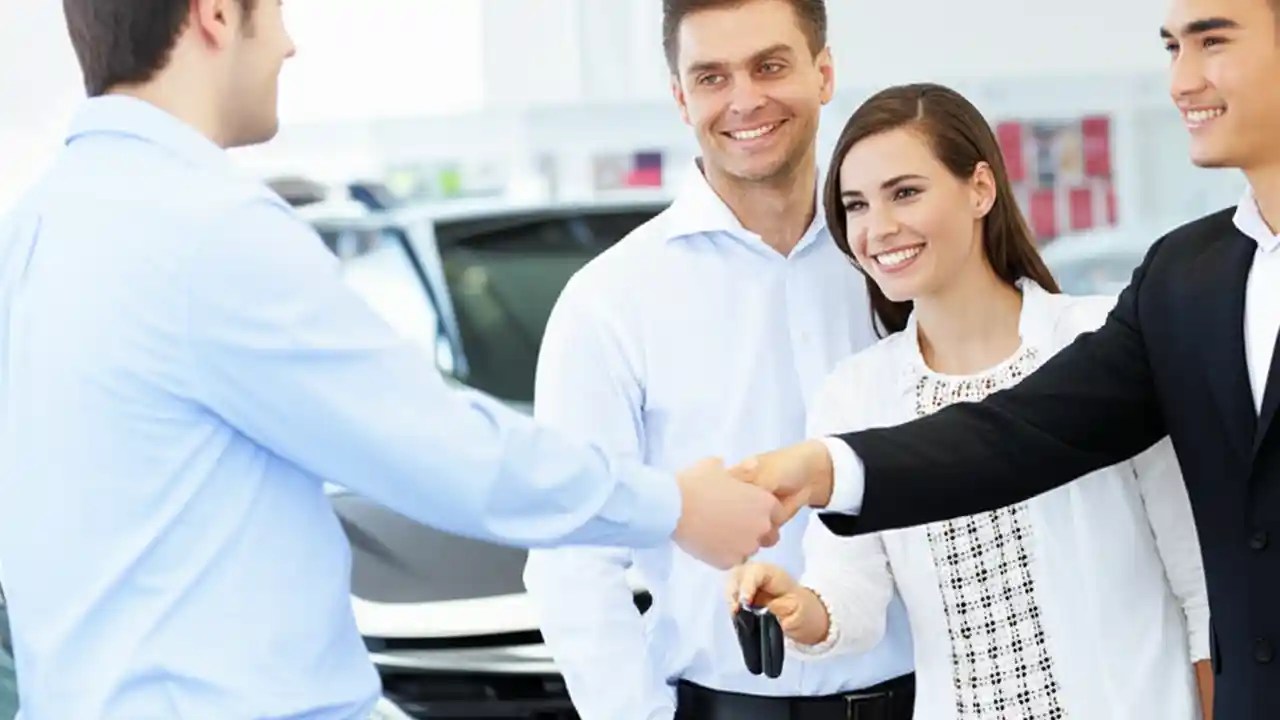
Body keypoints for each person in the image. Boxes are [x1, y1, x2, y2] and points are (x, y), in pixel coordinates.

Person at [0, 1, 787, 717]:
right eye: (273, 11)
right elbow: (438, 447)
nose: (289, 43)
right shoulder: (205, 224)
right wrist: (675, 506)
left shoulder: (36, 229)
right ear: (213, 15)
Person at [734, 0, 1280, 716]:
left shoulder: (1092, 324)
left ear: (980, 188)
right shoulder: (1187, 280)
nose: (1180, 81)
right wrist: (823, 471)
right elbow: (1011, 437)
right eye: (1172, 48)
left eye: (1211, 43)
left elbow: (1196, 573)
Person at [522, 1, 915, 719]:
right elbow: (571, 558)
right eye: (711, 77)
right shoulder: (610, 301)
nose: (745, 100)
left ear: (824, 72)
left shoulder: (904, 263)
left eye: (770, 66)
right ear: (679, 97)